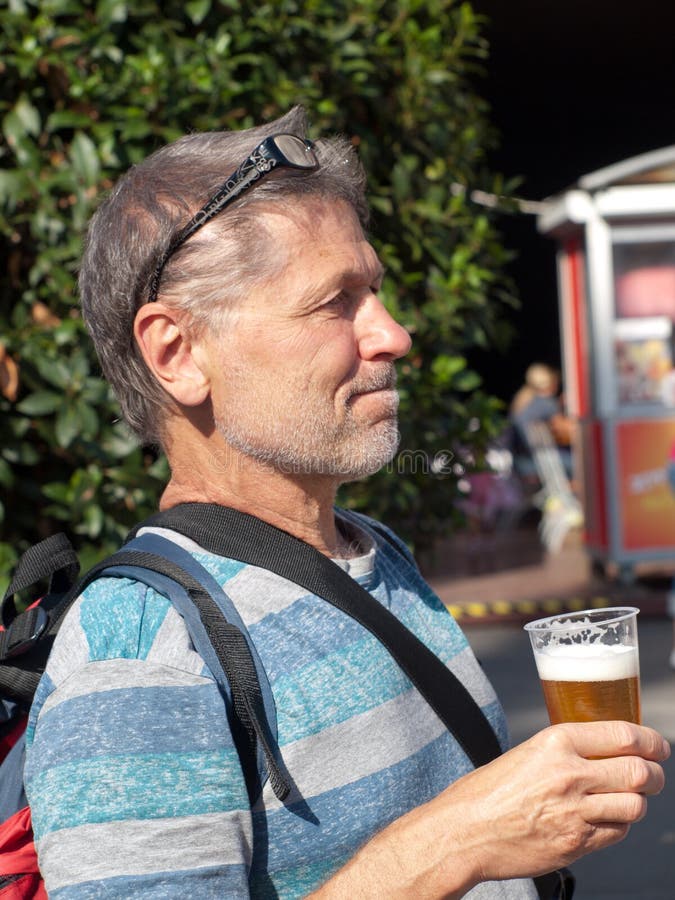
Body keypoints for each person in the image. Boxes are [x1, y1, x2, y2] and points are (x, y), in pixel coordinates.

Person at [23, 107, 669, 898]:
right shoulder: (139, 650)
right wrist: (449, 844)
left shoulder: (375, 552)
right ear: (178, 353)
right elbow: (451, 846)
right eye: (336, 302)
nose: (393, 335)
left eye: (376, 292)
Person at [509, 363, 574, 480]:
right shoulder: (547, 404)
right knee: (584, 463)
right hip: (541, 462)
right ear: (552, 383)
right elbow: (565, 433)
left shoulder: (520, 402)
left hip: (520, 461)